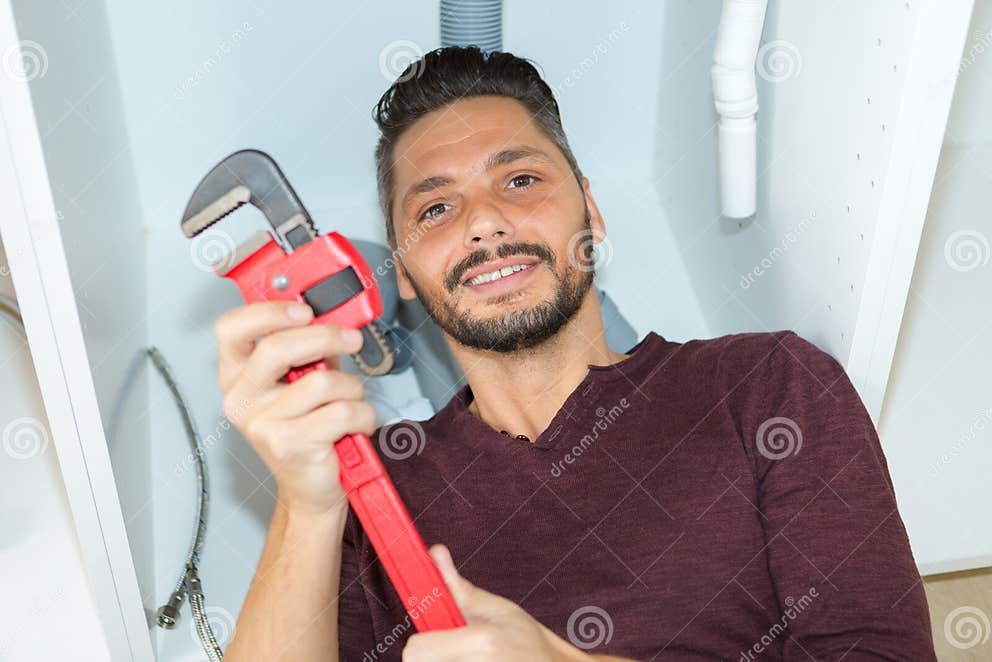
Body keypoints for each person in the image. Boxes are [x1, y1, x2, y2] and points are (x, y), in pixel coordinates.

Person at [218, 46, 937, 661]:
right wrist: (307, 505)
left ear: (590, 211)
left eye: (520, 180)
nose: (486, 222)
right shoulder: (376, 490)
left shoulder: (763, 385)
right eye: (436, 208)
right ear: (402, 271)